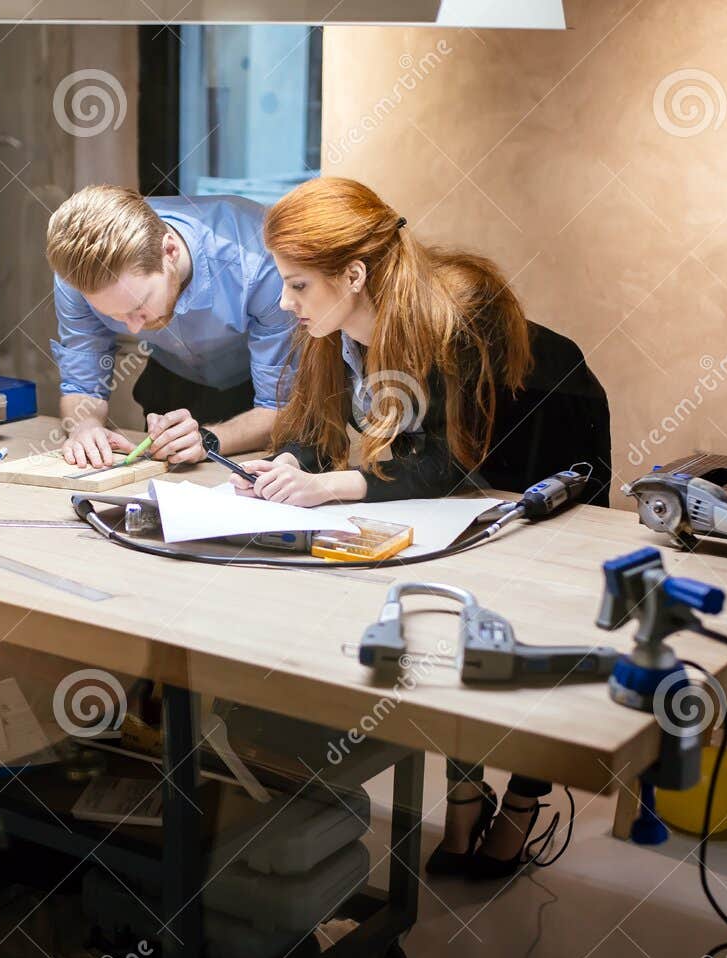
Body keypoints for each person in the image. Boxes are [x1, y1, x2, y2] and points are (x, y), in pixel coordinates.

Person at [242, 176, 613, 882]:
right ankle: (466, 792)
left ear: (353, 274)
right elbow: (318, 426)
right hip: (463, 473)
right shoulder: (337, 324)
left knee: (523, 615)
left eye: (296, 285)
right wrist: (289, 464)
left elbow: (443, 464)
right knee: (455, 607)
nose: (285, 303)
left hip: (546, 435)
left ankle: (525, 802)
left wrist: (330, 487)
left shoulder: (454, 320)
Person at [45, 186, 297, 469]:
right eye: (113, 316)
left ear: (170, 250)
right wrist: (84, 429)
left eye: (139, 307)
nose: (135, 329)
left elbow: (281, 408)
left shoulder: (261, 261)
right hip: (171, 378)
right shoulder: (78, 278)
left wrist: (208, 439)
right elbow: (82, 387)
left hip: (253, 391)